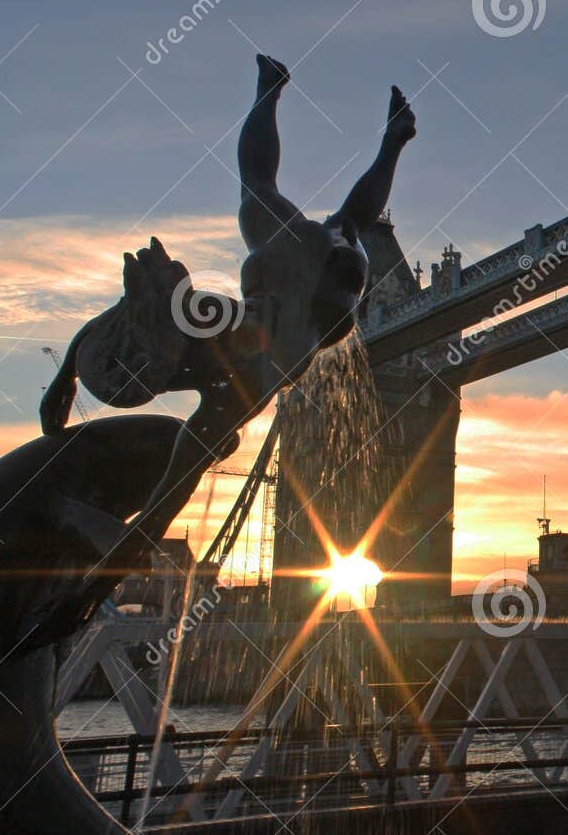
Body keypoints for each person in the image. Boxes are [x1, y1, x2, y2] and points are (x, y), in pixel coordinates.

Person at [40, 54, 415, 558]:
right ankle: (277, 93)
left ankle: (384, 138)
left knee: (331, 213)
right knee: (261, 186)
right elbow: (111, 339)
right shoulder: (200, 335)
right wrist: (64, 383)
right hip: (308, 275)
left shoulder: (233, 392)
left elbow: (177, 479)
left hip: (316, 287)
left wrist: (134, 540)